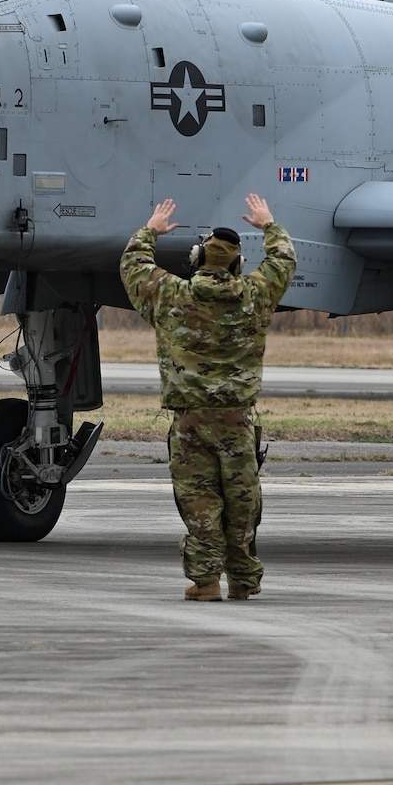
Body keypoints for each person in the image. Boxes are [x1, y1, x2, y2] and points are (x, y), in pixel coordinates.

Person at [119, 194, 296, 602]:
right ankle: (244, 580)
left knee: (199, 502)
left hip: (189, 423)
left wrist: (151, 231)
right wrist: (269, 225)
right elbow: (284, 260)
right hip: (237, 422)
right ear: (237, 263)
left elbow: (132, 264)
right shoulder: (255, 296)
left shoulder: (170, 296)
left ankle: (205, 583)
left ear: (197, 260)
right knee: (242, 502)